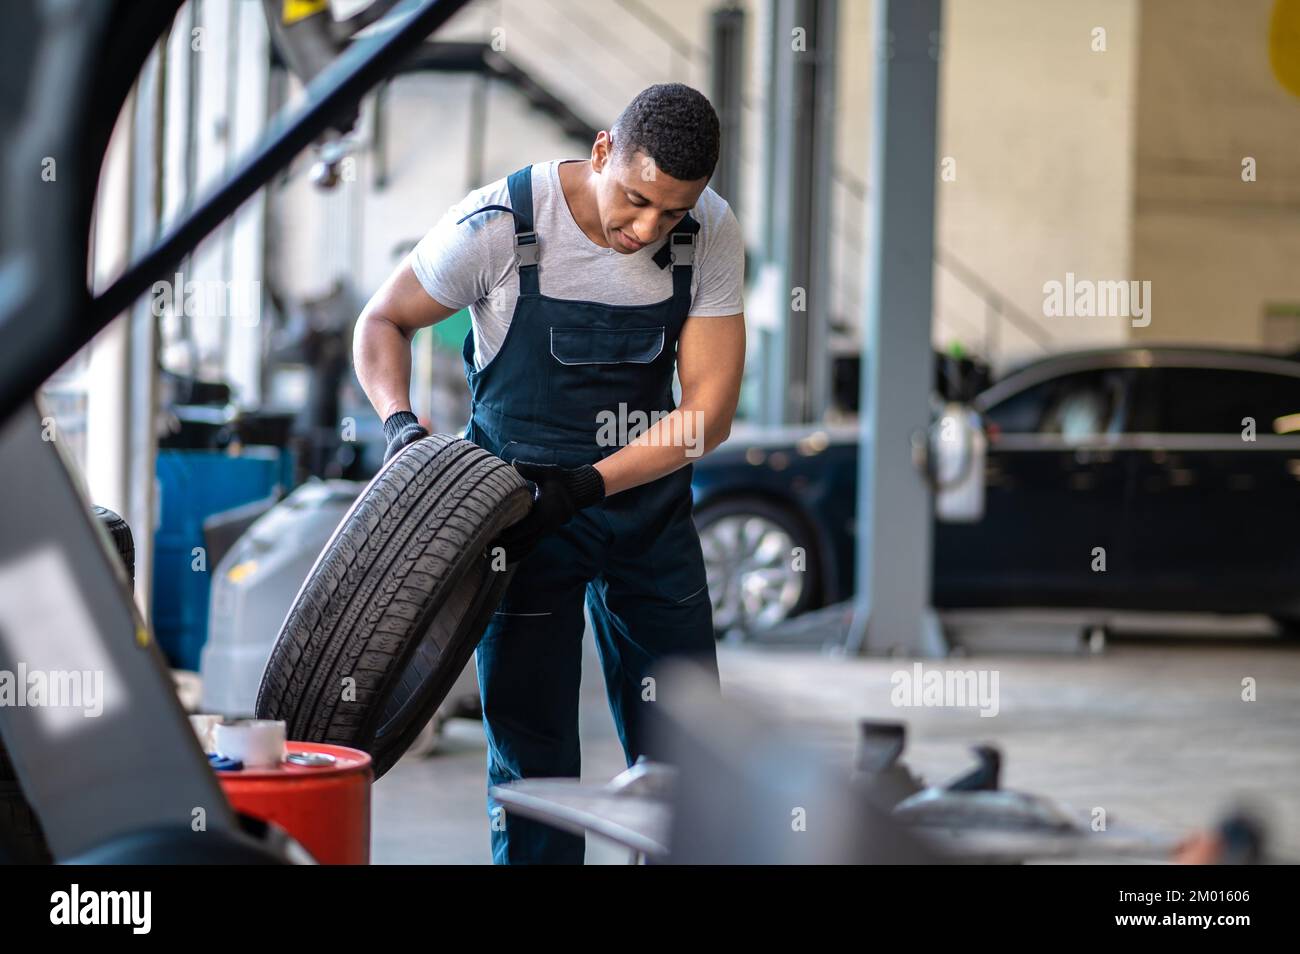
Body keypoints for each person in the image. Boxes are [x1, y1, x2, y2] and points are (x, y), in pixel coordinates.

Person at [354, 83, 746, 863]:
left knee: (684, 753)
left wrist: (590, 484)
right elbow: (383, 320)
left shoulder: (711, 230)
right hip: (521, 524)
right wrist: (401, 428)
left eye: (671, 213)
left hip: (646, 519)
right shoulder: (499, 225)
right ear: (603, 151)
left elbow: (706, 415)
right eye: (635, 200)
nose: (648, 228)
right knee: (534, 763)